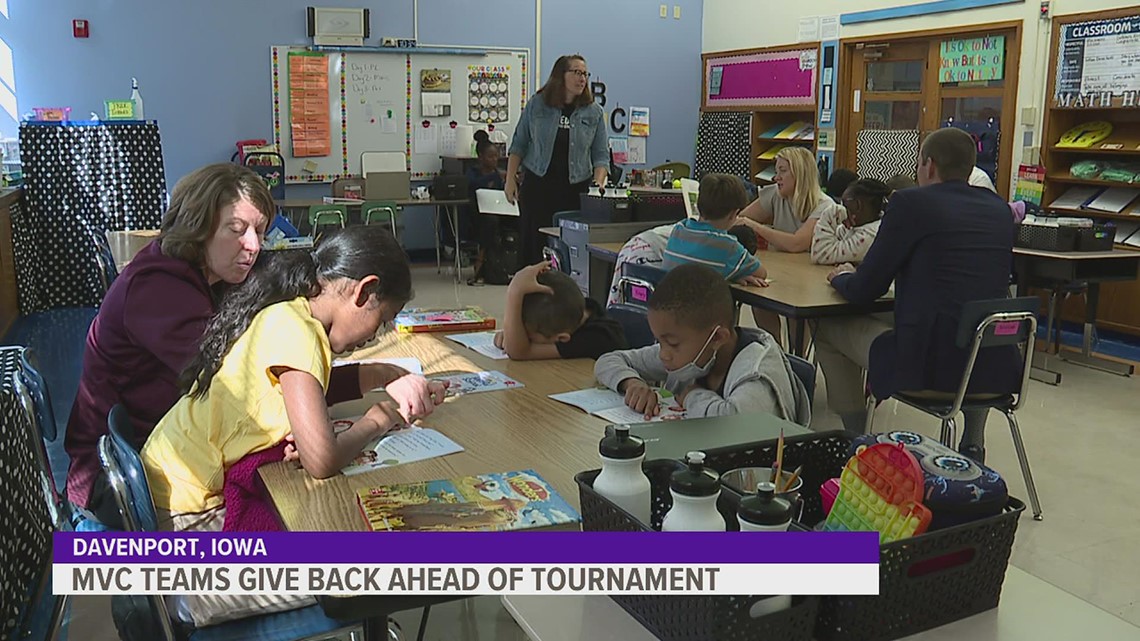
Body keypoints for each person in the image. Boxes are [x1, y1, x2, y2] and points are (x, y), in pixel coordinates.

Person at [64, 164, 441, 526]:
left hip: (170, 464)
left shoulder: (211, 279)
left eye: (261, 231)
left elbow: (275, 385)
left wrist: (377, 374)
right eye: (236, 229)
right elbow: (263, 389)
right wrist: (361, 411)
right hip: (124, 482)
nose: (254, 245)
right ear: (198, 226)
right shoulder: (158, 290)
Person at [141, 225, 445, 628]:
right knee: (370, 569)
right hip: (188, 537)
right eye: (383, 320)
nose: (375, 336)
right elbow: (321, 460)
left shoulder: (289, 310)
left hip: (167, 495)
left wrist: (386, 373)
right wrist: (380, 417)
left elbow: (311, 385)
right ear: (363, 292)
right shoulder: (298, 333)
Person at [815, 128, 1019, 462]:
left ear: (929, 165)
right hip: (996, 365)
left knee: (827, 326)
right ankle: (972, 443)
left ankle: (857, 442)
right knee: (973, 325)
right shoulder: (998, 209)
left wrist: (842, 278)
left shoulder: (910, 204)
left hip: (928, 368)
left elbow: (865, 290)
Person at [594, 264, 811, 423]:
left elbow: (735, 423)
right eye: (660, 342)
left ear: (717, 338)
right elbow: (609, 360)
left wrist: (692, 395)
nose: (663, 354)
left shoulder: (756, 373)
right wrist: (633, 383)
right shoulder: (689, 352)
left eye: (672, 344)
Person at [505, 54, 609, 264]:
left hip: (575, 188)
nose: (582, 78)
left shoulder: (594, 112)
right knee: (534, 246)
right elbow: (519, 144)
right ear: (561, 75)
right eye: (577, 72)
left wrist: (597, 185)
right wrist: (509, 179)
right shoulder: (538, 104)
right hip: (539, 185)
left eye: (585, 74)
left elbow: (601, 155)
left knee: (569, 249)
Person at [494, 261, 627, 360]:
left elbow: (520, 353)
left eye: (528, 336)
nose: (524, 337)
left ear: (561, 338)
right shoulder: (573, 308)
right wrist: (512, 332)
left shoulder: (595, 339)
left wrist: (514, 292)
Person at [662, 173, 768, 285]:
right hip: (702, 296)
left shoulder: (678, 230)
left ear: (698, 204)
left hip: (668, 295)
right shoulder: (728, 246)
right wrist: (735, 275)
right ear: (734, 214)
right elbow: (761, 273)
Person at [736, 146, 838, 253]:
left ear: (800, 174)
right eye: (776, 172)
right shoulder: (776, 193)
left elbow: (797, 244)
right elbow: (740, 219)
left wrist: (756, 227)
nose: (776, 178)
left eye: (783, 171)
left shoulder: (825, 206)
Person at [811, 178, 891, 265]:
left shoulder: (869, 237)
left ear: (858, 205)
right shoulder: (855, 226)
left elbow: (820, 255)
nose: (841, 207)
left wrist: (829, 215)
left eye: (844, 202)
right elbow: (826, 241)